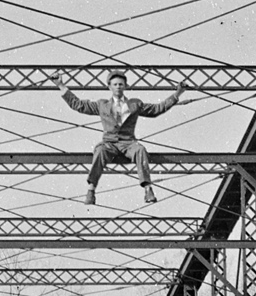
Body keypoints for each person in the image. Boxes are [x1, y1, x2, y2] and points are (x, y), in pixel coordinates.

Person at [58, 69, 185, 205]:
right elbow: (79, 105)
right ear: (110, 86)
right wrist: (60, 85)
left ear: (125, 86)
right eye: (115, 84)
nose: (118, 87)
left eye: (121, 84)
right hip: (109, 143)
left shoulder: (135, 104)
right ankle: (91, 190)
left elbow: (156, 109)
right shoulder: (102, 105)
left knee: (140, 150)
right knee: (99, 151)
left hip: (128, 143)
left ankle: (148, 189)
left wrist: (178, 93)